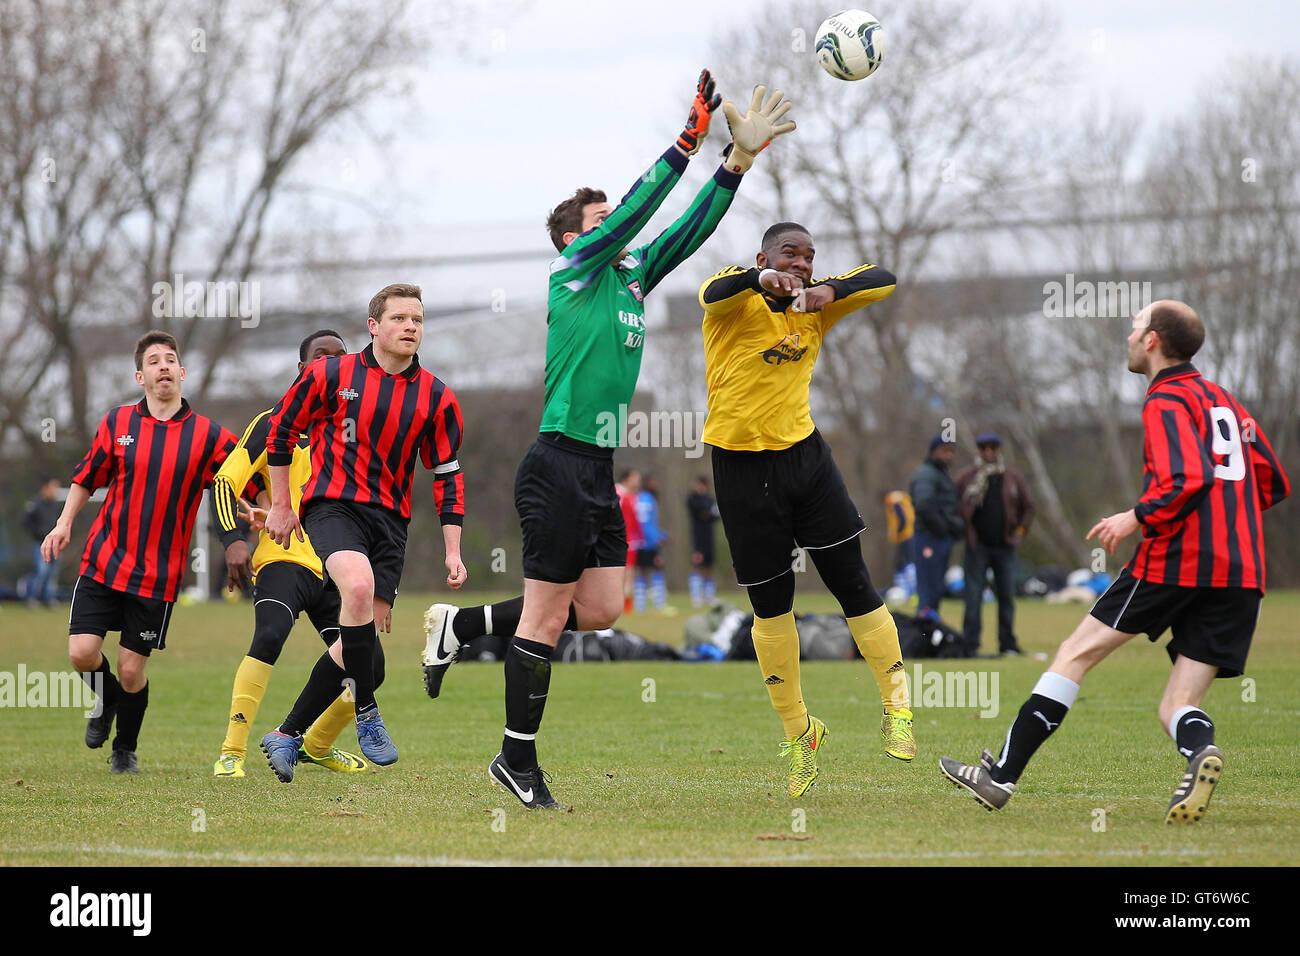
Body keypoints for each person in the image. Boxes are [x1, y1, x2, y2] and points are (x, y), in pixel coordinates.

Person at [419, 72, 796, 810]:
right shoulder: (577, 268)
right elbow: (634, 214)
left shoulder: (628, 277)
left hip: (597, 471)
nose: (612, 224)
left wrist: (735, 163)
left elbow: (687, 232)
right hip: (556, 462)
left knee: (602, 610)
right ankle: (515, 761)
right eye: (598, 218)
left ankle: (460, 628)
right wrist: (687, 139)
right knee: (546, 617)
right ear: (572, 237)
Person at [941, 301, 1289, 824]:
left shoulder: (1166, 398)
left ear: (1152, 341)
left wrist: (1135, 516)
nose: (1128, 335)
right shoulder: (1225, 401)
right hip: (1241, 570)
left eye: (1135, 326)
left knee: (1074, 654)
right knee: (1176, 705)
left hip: (1177, 560)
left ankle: (1002, 776)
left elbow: (1187, 478)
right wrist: (1225, 516)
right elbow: (1273, 482)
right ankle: (1200, 754)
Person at [698, 219, 914, 799]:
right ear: (765, 255)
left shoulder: (816, 305)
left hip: (805, 461)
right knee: (771, 609)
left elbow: (884, 278)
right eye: (790, 253)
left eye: (809, 256)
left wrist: (830, 292)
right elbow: (711, 292)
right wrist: (762, 278)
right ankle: (800, 734)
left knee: (854, 584)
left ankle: (897, 708)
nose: (801, 263)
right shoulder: (735, 298)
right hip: (741, 470)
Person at [259, 284, 467, 782]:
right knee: (356, 587)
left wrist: (453, 550)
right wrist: (283, 505)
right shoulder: (329, 374)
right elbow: (281, 433)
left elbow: (447, 474)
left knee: (361, 646)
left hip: (390, 525)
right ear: (373, 326)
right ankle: (368, 713)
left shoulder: (436, 396)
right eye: (399, 318)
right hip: (333, 507)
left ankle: (286, 734)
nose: (410, 327)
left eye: (417, 319)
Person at [42, 331, 236, 774]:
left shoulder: (209, 436)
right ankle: (105, 702)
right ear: (140, 375)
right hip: (105, 561)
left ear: (182, 373)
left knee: (132, 672)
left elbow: (240, 481)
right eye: (154, 361)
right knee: (81, 653)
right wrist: (64, 522)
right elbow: (87, 476)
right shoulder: (117, 424)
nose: (163, 366)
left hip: (158, 577)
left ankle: (124, 750)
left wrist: (262, 510)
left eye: (171, 359)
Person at [208, 330, 372, 779]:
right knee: (270, 636)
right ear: (303, 369)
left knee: (369, 662)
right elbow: (224, 482)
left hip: (338, 566)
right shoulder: (273, 423)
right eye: (322, 357)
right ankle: (231, 752)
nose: (332, 363)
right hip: (284, 559)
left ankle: (316, 744)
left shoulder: (354, 428)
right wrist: (234, 540)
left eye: (341, 357)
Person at [954, 432, 1035, 656]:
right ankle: (970, 644)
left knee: (1006, 596)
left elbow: (1028, 507)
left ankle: (1007, 643)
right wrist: (962, 530)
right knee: (973, 596)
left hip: (1005, 547)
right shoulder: (966, 478)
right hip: (976, 547)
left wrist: (1019, 532)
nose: (988, 452)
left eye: (993, 447)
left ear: (999, 449)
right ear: (978, 450)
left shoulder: (1012, 478)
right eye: (983, 448)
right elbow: (953, 507)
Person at [908, 436, 964, 622]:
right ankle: (924, 631)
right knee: (928, 589)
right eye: (944, 451)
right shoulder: (927, 474)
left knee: (936, 588)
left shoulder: (940, 475)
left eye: (951, 451)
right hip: (929, 538)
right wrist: (942, 529)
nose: (948, 455)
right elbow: (924, 505)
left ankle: (930, 630)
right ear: (933, 451)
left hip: (938, 539)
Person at [22, 477, 63, 607]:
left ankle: (49, 598)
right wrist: (38, 534)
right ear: (45, 488)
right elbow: (25, 522)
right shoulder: (35, 503)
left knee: (52, 573)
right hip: (40, 543)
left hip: (55, 544)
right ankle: (31, 597)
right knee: (41, 571)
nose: (56, 491)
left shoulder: (55, 506)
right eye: (53, 487)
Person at [633, 476, 669, 612]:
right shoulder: (648, 499)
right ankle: (659, 604)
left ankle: (640, 605)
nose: (656, 485)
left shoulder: (640, 497)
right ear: (647, 484)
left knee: (641, 571)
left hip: (640, 542)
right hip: (648, 542)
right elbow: (646, 524)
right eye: (653, 482)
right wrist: (658, 537)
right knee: (657, 568)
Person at [686, 475, 720, 607]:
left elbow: (714, 515)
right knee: (697, 566)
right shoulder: (692, 498)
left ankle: (709, 596)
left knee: (708, 566)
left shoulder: (709, 499)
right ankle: (696, 596)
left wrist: (708, 514)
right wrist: (707, 514)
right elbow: (701, 512)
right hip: (698, 537)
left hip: (709, 537)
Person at [616, 469, 643, 614]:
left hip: (629, 540)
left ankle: (625, 608)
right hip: (620, 539)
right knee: (623, 574)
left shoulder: (632, 496)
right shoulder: (619, 494)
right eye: (635, 477)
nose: (638, 481)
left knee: (628, 574)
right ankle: (622, 607)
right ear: (627, 478)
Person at [880, 489, 914, 574]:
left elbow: (902, 518)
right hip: (910, 533)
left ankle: (908, 583)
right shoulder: (899, 498)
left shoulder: (892, 501)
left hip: (904, 536)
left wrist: (897, 532)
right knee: (908, 561)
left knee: (904, 563)